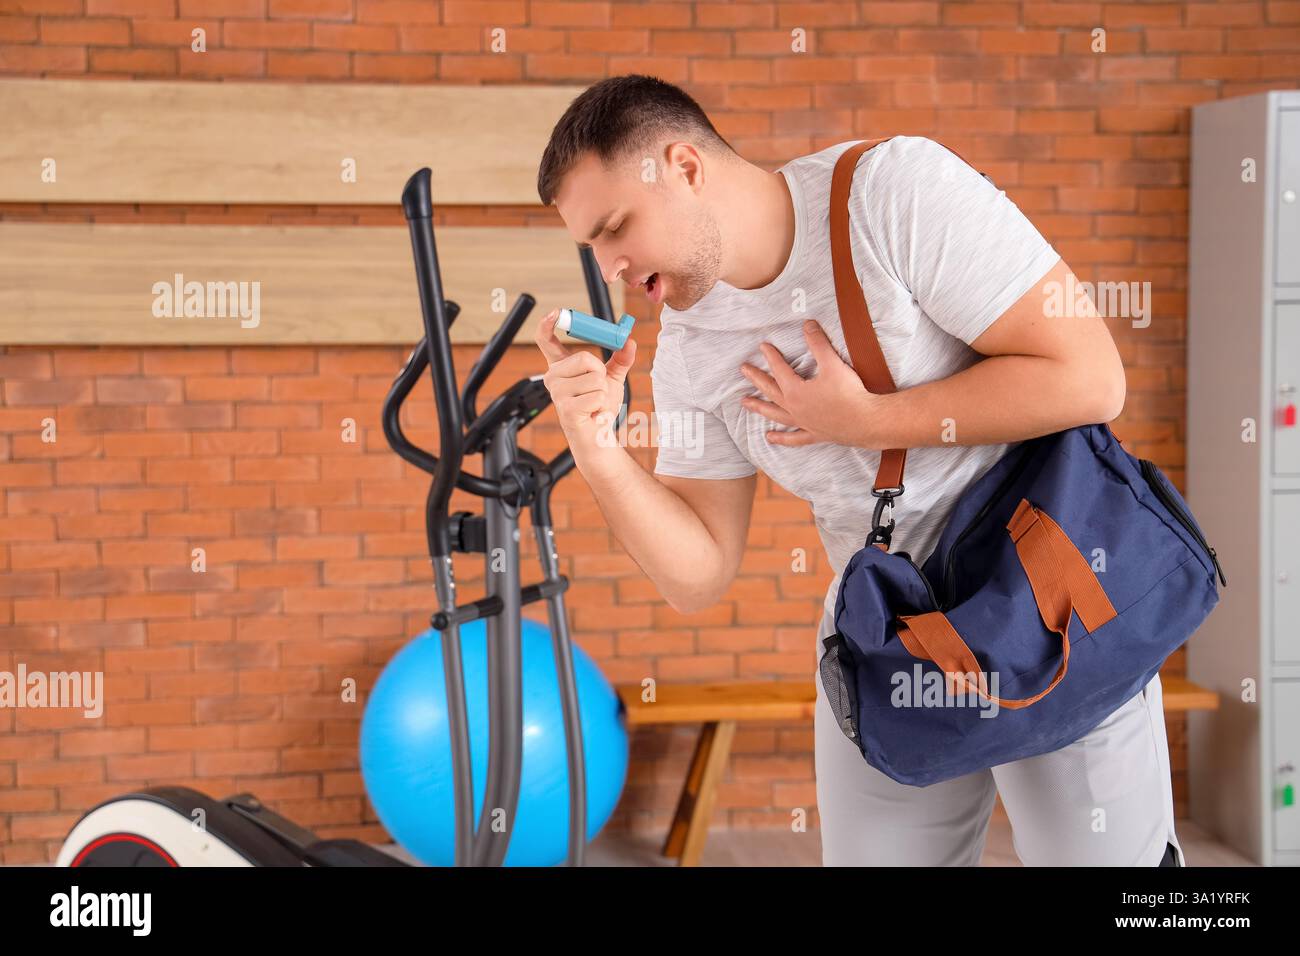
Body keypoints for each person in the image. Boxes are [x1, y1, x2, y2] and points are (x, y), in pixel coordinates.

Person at [531, 74, 1183, 868]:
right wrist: (598, 448)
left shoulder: (892, 192)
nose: (611, 269)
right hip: (891, 632)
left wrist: (866, 422)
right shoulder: (691, 352)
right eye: (592, 247)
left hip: (1046, 591)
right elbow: (698, 575)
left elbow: (1089, 377)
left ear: (684, 167)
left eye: (615, 228)